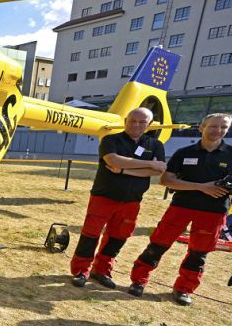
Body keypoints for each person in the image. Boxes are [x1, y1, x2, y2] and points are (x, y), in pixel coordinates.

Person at [128, 113, 232, 305]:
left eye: (223, 127)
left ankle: (183, 289)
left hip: (214, 211)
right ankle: (138, 280)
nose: (218, 130)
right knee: (157, 245)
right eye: (213, 126)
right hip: (181, 206)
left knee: (198, 253)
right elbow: (166, 180)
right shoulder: (184, 152)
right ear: (202, 127)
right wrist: (202, 187)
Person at [69, 107, 166, 289]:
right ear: (125, 121)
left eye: (142, 122)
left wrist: (123, 170)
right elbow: (113, 160)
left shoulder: (155, 145)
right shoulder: (110, 140)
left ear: (150, 124)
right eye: (132, 121)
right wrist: (148, 164)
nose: (136, 125)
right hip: (104, 196)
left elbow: (158, 170)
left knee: (118, 236)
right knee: (90, 234)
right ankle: (81, 270)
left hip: (132, 200)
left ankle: (102, 270)